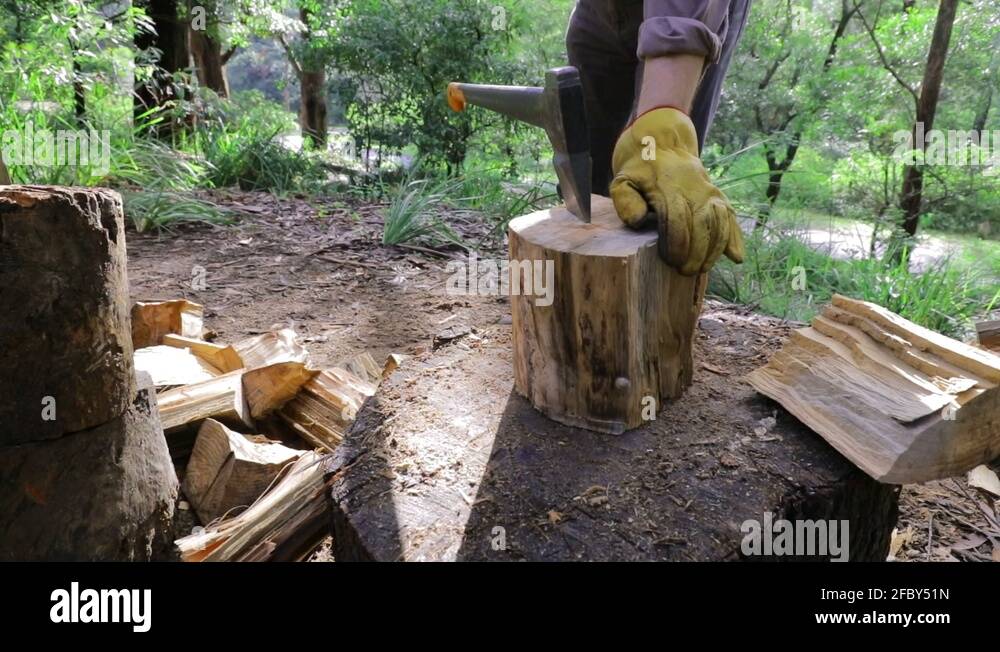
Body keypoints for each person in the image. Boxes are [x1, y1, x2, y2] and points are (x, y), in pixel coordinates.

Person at [566, 0, 750, 275]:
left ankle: (653, 294)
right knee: (584, 169)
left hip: (694, 8)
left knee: (662, 180)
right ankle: (578, 274)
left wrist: (663, 119)